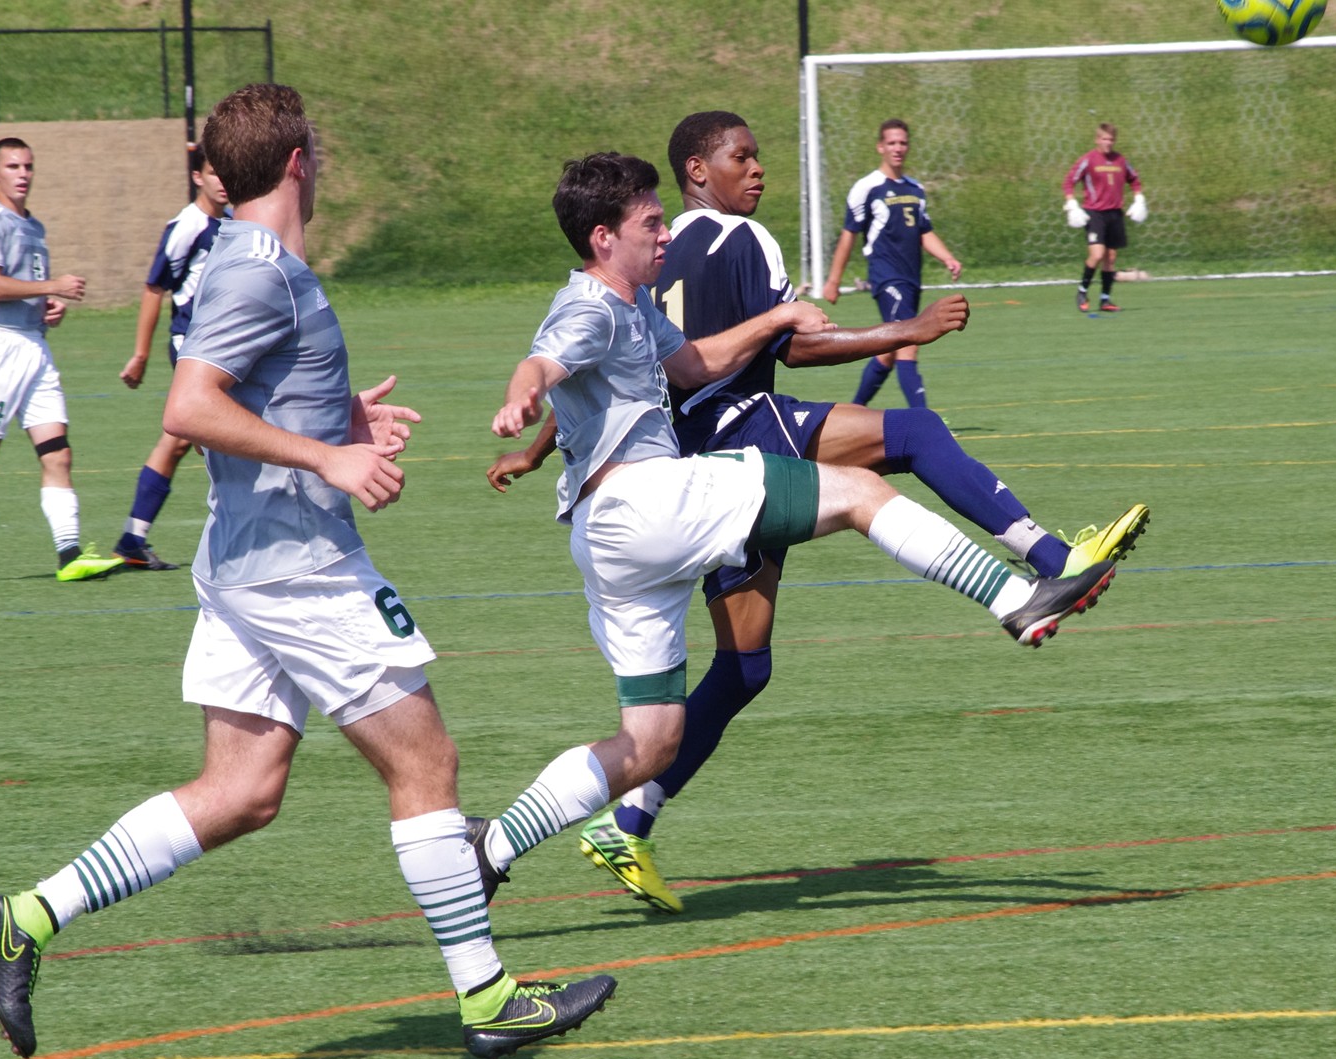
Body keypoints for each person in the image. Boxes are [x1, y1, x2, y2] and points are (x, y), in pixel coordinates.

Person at [0, 85, 615, 1059]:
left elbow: (241, 392)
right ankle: (487, 999)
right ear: (300, 159)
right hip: (298, 565)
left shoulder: (252, 264)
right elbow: (190, 407)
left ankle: (24, 917)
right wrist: (331, 457)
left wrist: (337, 416)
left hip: (247, 557)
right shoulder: (257, 270)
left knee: (241, 787)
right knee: (425, 763)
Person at [487, 111, 1148, 914]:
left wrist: (537, 444)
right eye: (650, 222)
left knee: (649, 740)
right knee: (866, 489)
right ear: (602, 238)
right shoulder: (598, 300)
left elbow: (690, 362)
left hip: (613, 542)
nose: (664, 234)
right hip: (659, 497)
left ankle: (491, 845)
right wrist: (524, 392)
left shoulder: (634, 307)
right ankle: (1022, 597)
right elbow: (551, 354)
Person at [0, 137, 122, 581]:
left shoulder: (34, 226)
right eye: (12, 166)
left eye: (28, 165)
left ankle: (70, 557)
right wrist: (52, 286)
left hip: (34, 347)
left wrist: (50, 306)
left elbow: (25, 288)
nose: (23, 174)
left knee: (58, 455)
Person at [111, 145, 231, 571]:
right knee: (199, 435)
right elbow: (154, 288)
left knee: (187, 440)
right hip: (190, 343)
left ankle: (132, 539)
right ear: (197, 177)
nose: (221, 180)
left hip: (222, 346)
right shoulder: (187, 225)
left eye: (226, 173)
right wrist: (141, 353)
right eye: (213, 172)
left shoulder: (234, 224)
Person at [820, 119, 962, 409]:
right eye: (892, 143)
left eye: (903, 143)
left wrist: (946, 257)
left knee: (888, 350)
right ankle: (923, 419)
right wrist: (834, 280)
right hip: (887, 278)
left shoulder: (915, 188)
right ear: (880, 147)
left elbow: (924, 231)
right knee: (908, 342)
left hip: (911, 278)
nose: (898, 148)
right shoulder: (867, 188)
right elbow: (849, 235)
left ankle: (854, 410)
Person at [1063, 122, 1146, 313]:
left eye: (1111, 139)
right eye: (1104, 139)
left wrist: (1139, 199)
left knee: (1111, 257)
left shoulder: (1120, 160)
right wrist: (1072, 204)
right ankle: (1082, 291)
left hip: (1114, 213)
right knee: (1097, 255)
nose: (1108, 143)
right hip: (1095, 213)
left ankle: (1105, 299)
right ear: (1097, 139)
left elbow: (1134, 179)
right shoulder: (1088, 160)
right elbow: (1069, 182)